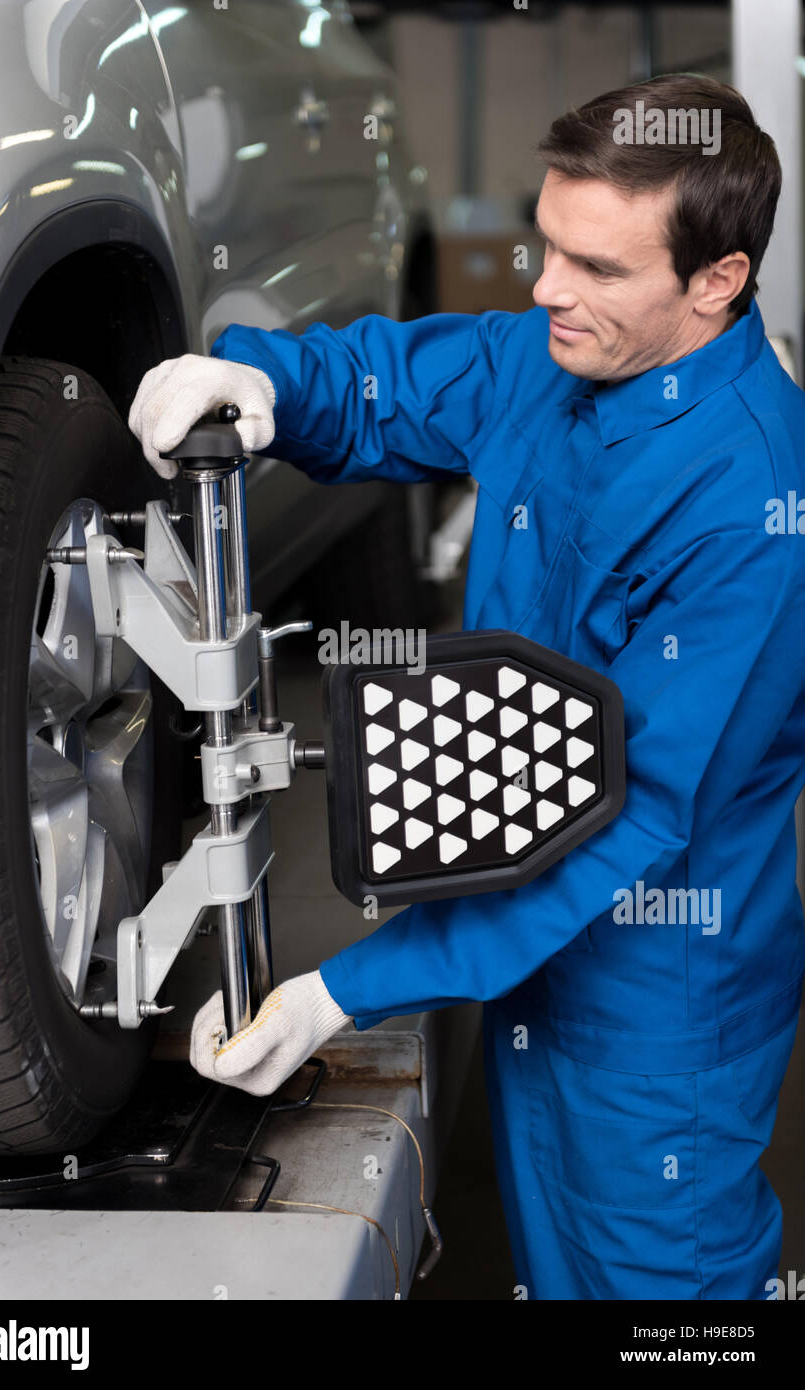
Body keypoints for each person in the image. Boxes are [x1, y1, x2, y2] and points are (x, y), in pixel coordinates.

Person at [128, 74, 805, 1299]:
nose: (545, 286)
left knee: (659, 1292)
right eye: (549, 244)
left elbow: (628, 821)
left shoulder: (758, 511)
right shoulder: (562, 357)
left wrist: (346, 989)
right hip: (532, 953)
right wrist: (267, 386)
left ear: (719, 279)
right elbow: (408, 380)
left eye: (596, 266)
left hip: (656, 1007)